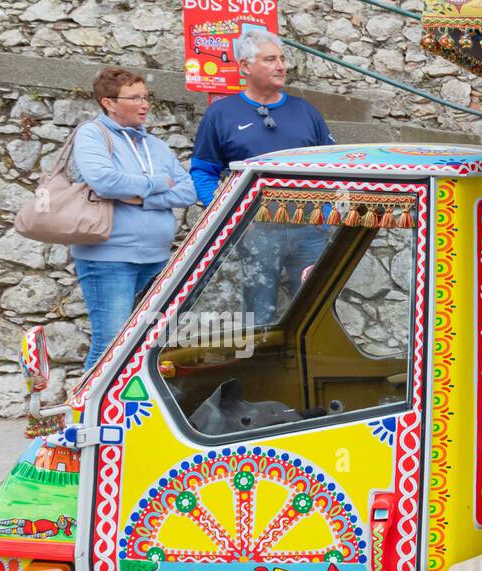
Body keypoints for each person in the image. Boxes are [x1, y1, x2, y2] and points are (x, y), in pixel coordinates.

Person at [190, 30, 334, 320]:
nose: (281, 65)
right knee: (258, 315)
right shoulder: (221, 114)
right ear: (245, 67)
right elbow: (203, 172)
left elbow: (333, 169)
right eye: (270, 59)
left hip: (310, 230)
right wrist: (231, 217)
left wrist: (327, 215)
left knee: (317, 312)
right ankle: (259, 365)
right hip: (256, 232)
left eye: (282, 58)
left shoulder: (306, 111)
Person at [71, 67, 196, 369]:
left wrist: (138, 196)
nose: (145, 104)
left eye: (146, 96)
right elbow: (104, 181)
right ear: (108, 102)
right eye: (134, 98)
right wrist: (155, 184)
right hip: (108, 257)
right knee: (110, 344)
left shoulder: (155, 145)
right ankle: (90, 416)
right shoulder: (92, 134)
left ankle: (131, 414)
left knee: (151, 343)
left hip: (156, 257)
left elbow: (187, 192)